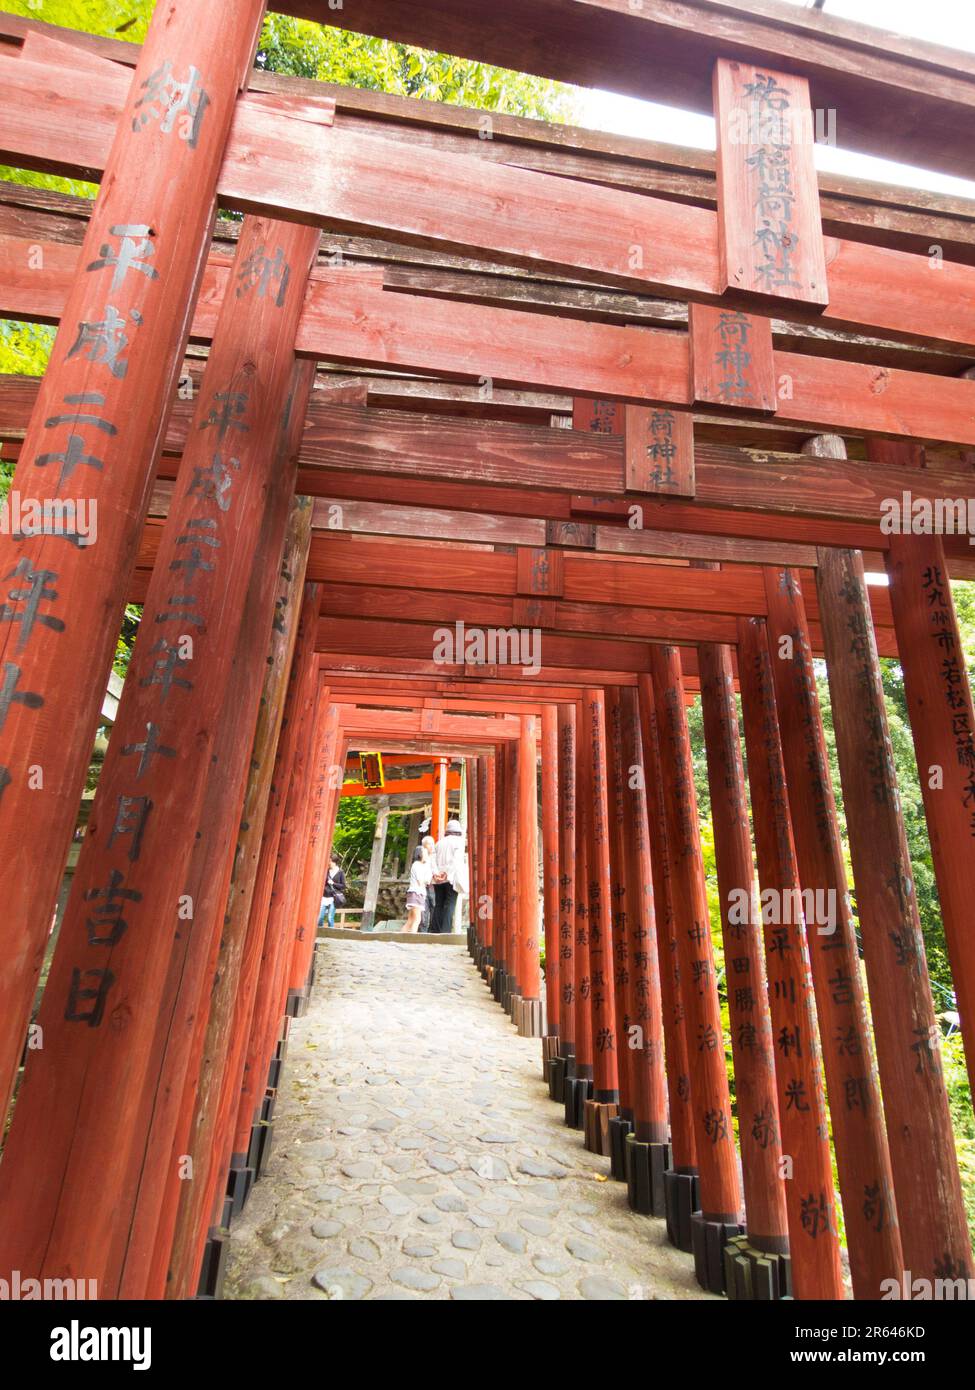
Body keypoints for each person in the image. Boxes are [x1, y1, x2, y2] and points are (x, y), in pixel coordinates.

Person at [430, 819, 468, 934]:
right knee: (450, 904)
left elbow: (432, 860)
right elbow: (455, 861)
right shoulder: (459, 843)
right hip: (451, 878)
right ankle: (445, 931)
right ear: (457, 831)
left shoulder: (439, 843)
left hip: (438, 879)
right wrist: (446, 873)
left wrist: (437, 873)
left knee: (439, 903)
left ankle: (434, 929)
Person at [404, 842, 433, 933]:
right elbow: (421, 882)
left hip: (415, 893)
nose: (426, 855)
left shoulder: (419, 865)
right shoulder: (417, 865)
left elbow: (427, 880)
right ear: (420, 854)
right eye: (424, 853)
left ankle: (399, 938)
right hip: (417, 893)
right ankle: (413, 939)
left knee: (411, 920)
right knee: (417, 919)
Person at [317, 856, 347, 928]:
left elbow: (343, 886)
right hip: (324, 897)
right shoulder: (326, 871)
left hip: (334, 898)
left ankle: (331, 935)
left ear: (334, 862)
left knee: (330, 918)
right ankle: (319, 933)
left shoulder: (340, 872)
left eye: (329, 861)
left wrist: (333, 883)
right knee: (320, 917)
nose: (328, 863)